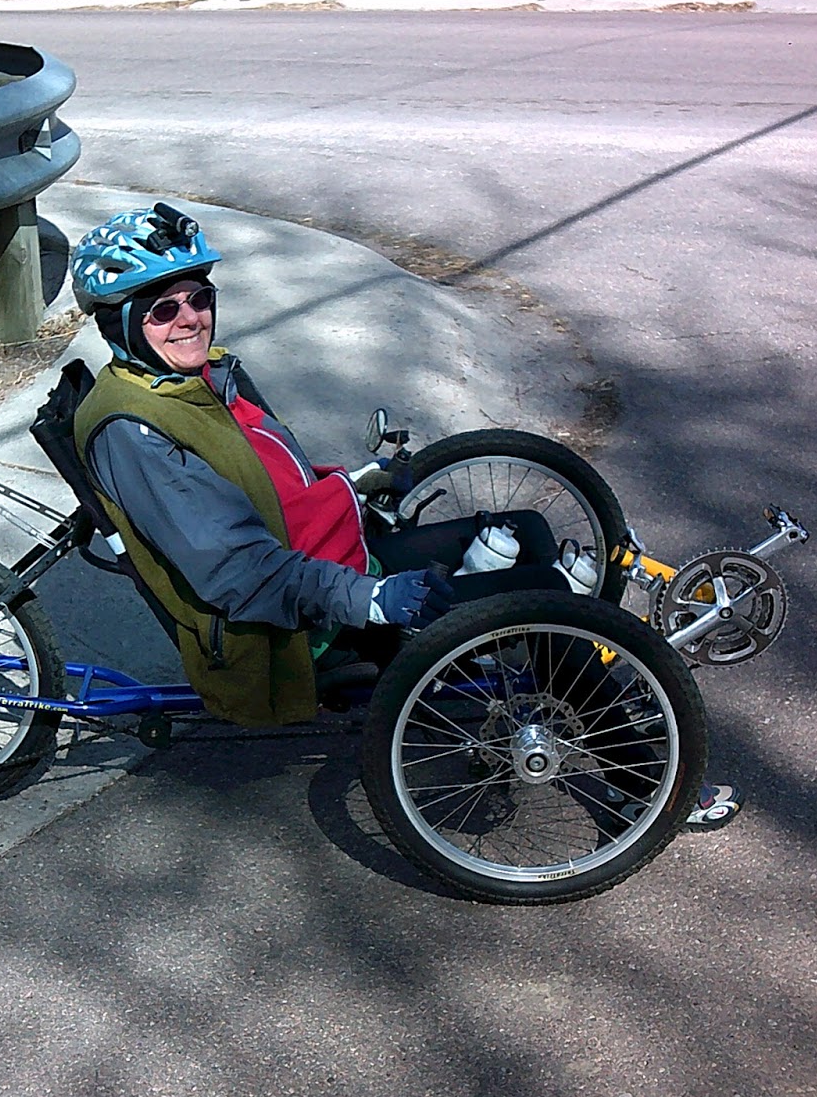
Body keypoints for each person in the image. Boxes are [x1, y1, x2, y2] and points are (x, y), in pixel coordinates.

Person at [67, 205, 742, 826]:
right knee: (543, 599)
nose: (190, 318)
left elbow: (274, 481)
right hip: (304, 626)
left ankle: (526, 665)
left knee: (528, 534)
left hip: (339, 564)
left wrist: (354, 485)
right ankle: (648, 780)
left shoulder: (198, 378)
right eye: (163, 310)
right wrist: (375, 599)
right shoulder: (137, 430)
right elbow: (239, 571)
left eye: (200, 298)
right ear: (121, 325)